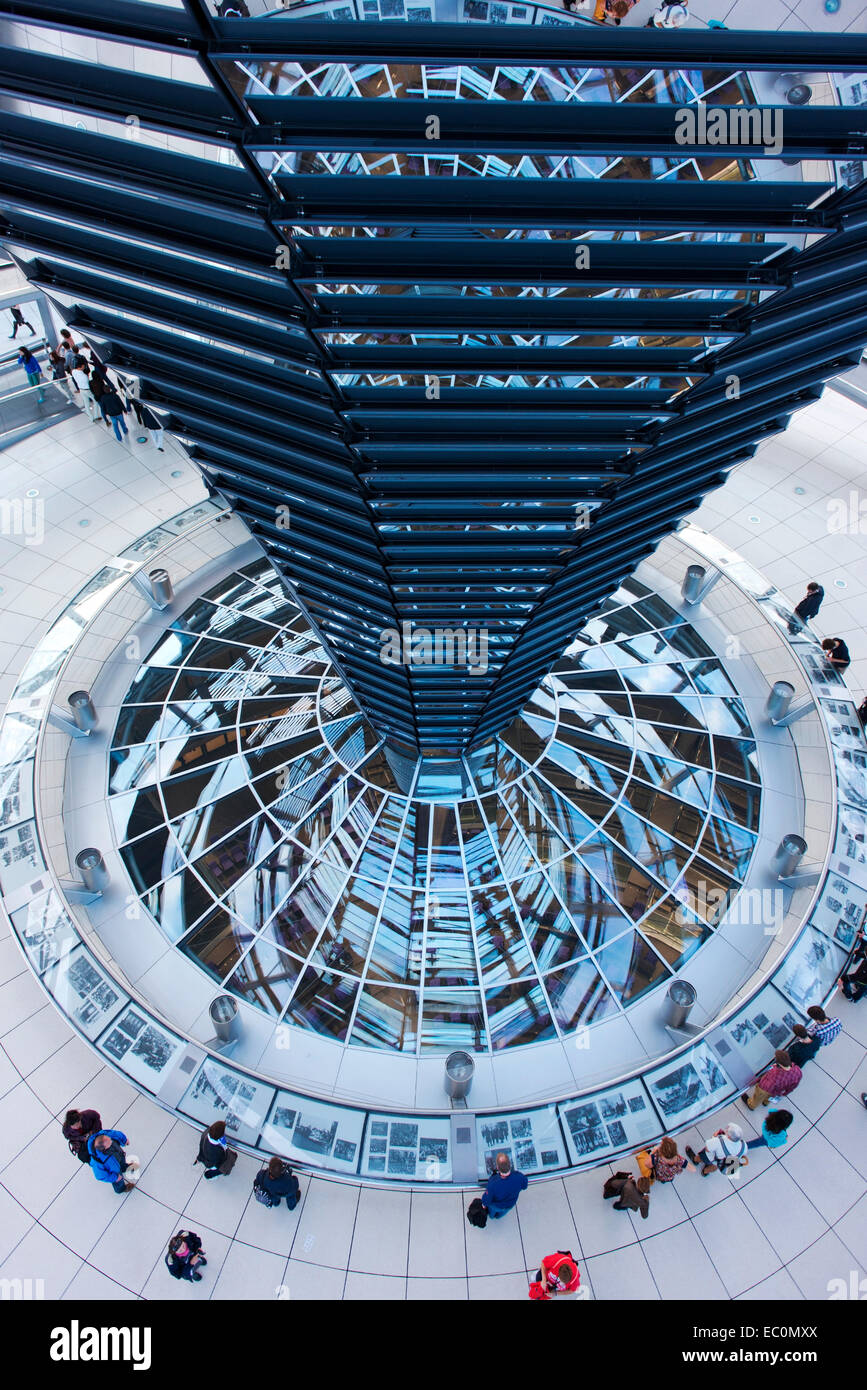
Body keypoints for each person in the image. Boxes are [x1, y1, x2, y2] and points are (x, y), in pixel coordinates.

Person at [481, 1152, 528, 1220]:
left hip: (496, 1206)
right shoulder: (519, 1177)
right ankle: (498, 1217)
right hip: (510, 1204)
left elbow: (487, 1200)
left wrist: (484, 1205)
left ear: (497, 1167)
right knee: (503, 1213)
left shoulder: (493, 1183)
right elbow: (524, 1186)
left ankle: (492, 1216)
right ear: (510, 1164)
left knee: (492, 1212)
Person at [87, 1129, 134, 1193]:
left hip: (119, 1156)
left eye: (109, 1139)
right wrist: (115, 1178)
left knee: (122, 1162)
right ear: (104, 1148)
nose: (111, 1140)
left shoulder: (105, 1135)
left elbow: (115, 1134)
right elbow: (100, 1175)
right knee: (118, 1181)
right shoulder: (96, 1160)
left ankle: (124, 1168)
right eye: (109, 1142)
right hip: (114, 1170)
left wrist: (124, 1140)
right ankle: (121, 1189)